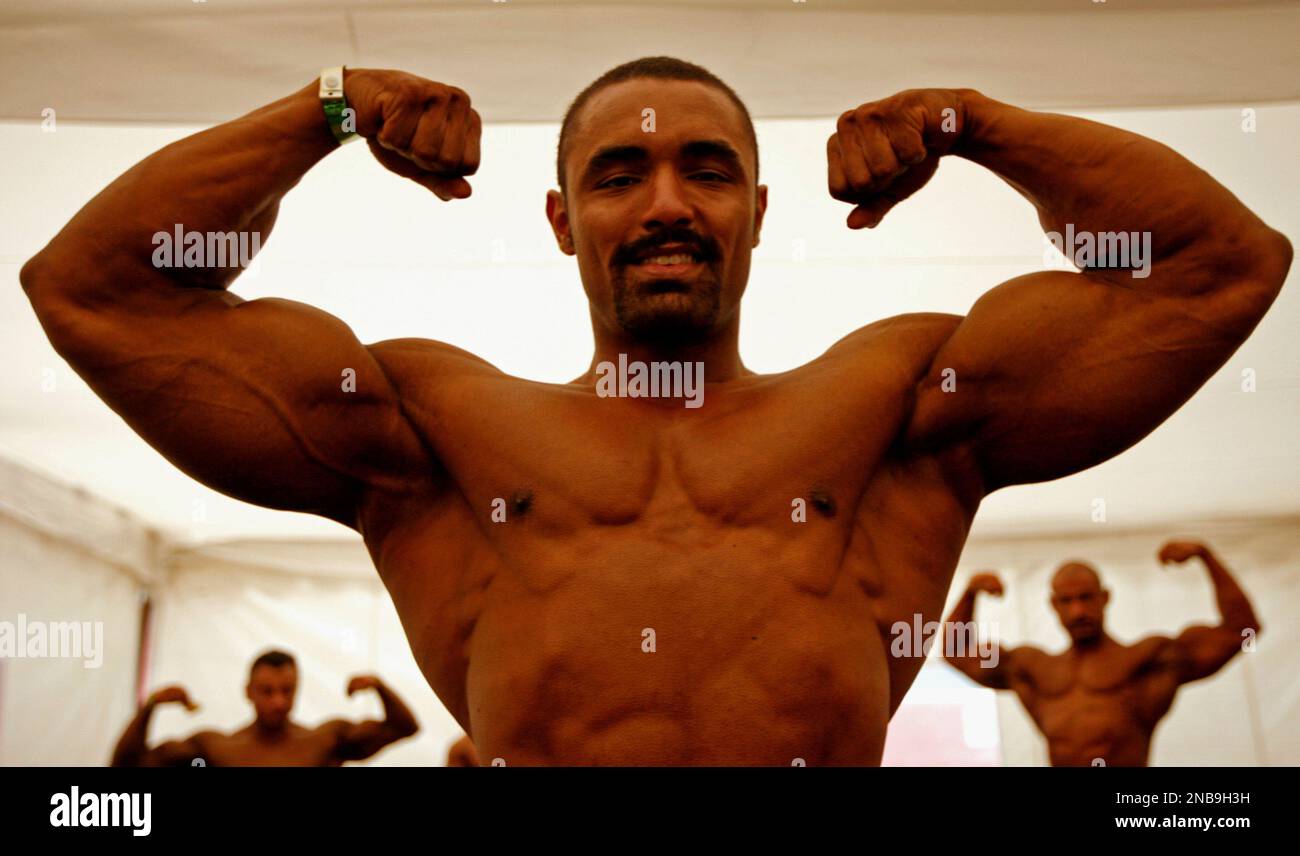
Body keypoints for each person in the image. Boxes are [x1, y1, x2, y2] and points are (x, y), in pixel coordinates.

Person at [23, 55, 1290, 764]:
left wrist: (978, 123)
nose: (668, 203)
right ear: (564, 219)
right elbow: (104, 295)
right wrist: (331, 111)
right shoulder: (431, 429)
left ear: (758, 215)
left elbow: (1212, 267)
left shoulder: (899, 406)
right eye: (619, 173)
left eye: (710, 170)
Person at [942, 541, 1261, 766]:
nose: (1078, 610)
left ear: (1104, 598)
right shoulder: (1033, 669)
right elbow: (956, 653)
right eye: (1066, 601)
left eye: (1086, 598)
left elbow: (1242, 632)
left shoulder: (1149, 660)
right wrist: (969, 594)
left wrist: (1206, 557)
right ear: (1054, 606)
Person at [110, 650, 419, 766]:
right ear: (248, 692)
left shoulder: (326, 741)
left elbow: (404, 727)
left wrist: (380, 687)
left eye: (287, 691)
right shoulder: (215, 748)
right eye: (267, 691)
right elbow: (125, 765)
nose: (278, 701)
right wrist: (150, 706)